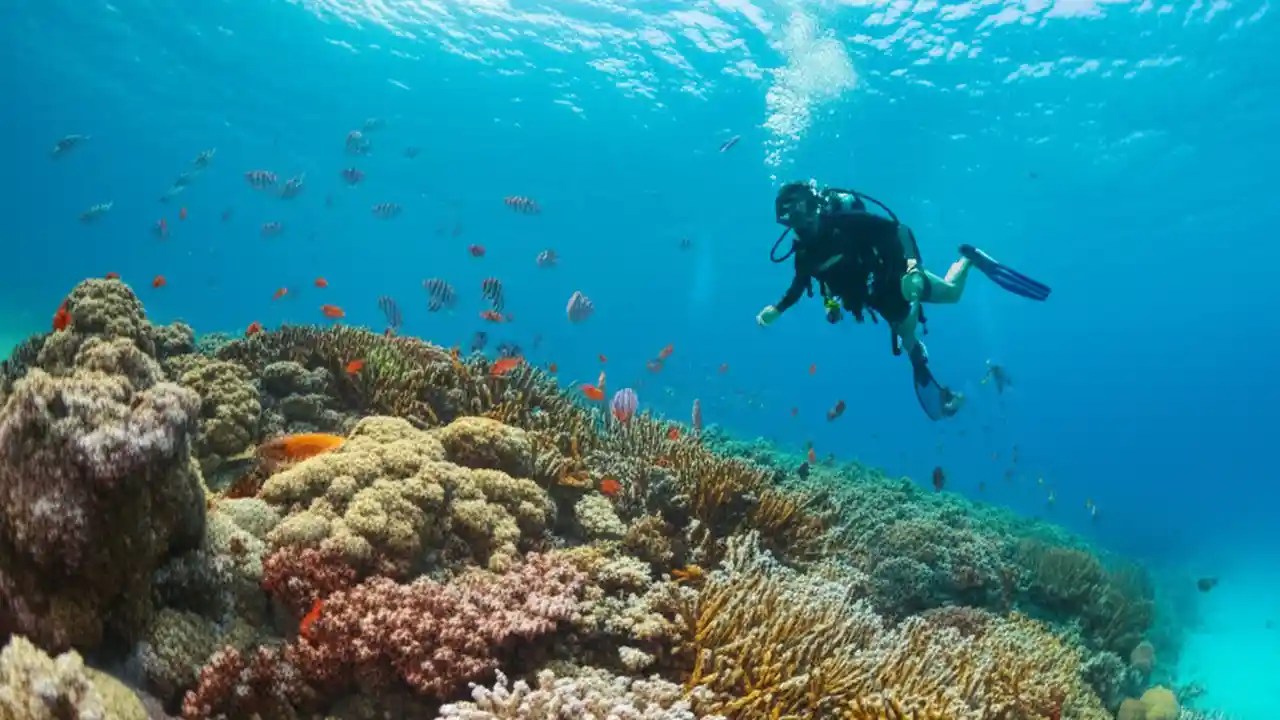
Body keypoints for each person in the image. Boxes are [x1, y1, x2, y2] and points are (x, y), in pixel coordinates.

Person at [756, 180, 1050, 420]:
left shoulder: (845, 223)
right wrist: (777, 309)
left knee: (951, 294)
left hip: (896, 275)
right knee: (905, 331)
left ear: (813, 204)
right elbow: (799, 285)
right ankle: (923, 368)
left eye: (800, 209)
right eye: (789, 215)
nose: (798, 220)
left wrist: (911, 266)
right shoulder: (805, 255)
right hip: (872, 297)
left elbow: (899, 230)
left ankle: (967, 261)